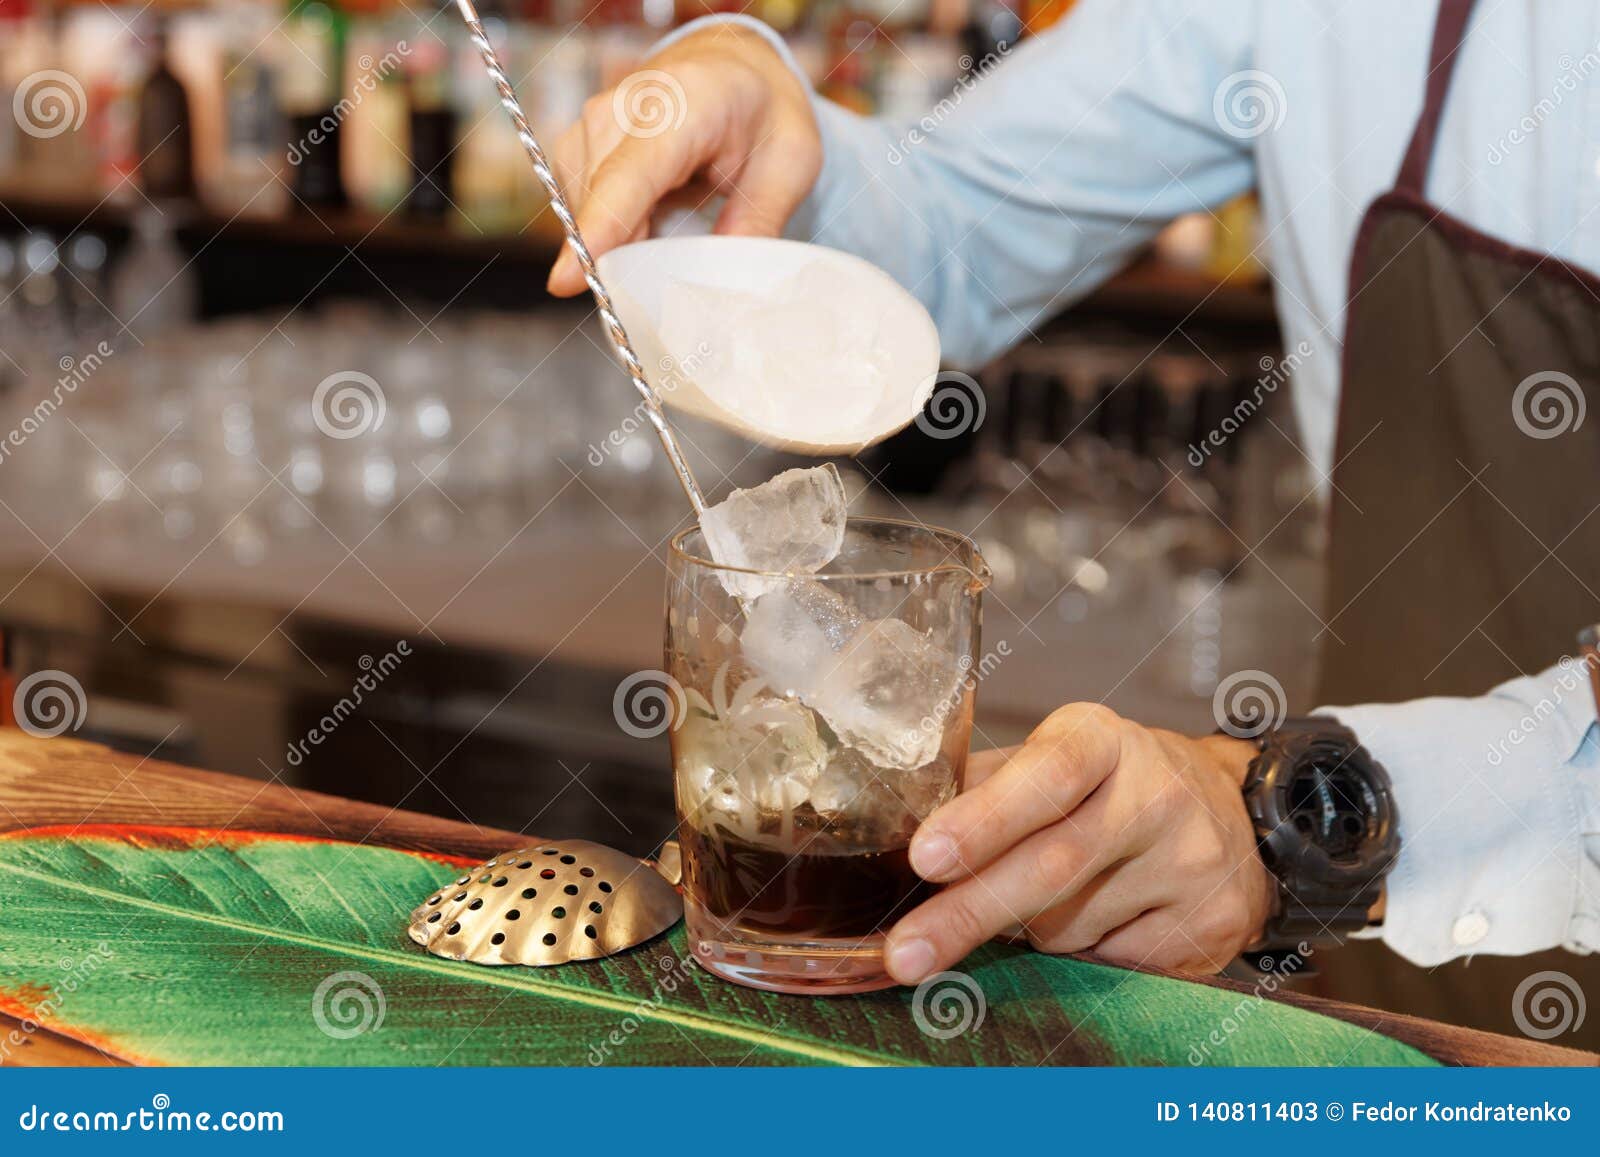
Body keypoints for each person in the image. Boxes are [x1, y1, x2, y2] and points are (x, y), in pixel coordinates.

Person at [547, 0, 1600, 1015]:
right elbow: (955, 222)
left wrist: (1297, 823)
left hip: (1359, 842)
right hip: (1389, 955)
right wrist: (759, 108)